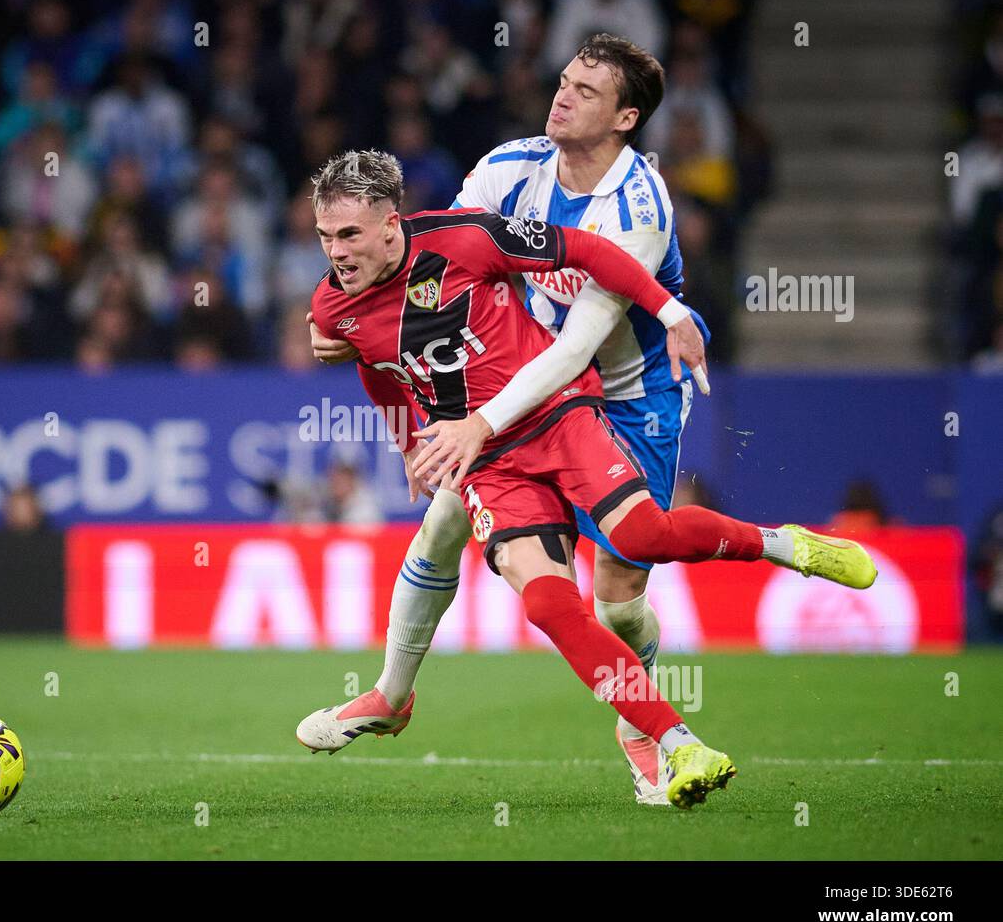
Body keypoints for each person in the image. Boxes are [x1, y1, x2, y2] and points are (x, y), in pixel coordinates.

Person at [296, 149, 877, 809]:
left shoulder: (466, 239)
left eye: (348, 235)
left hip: (556, 411)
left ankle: (784, 545)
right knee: (547, 603)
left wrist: (670, 313)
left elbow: (590, 253)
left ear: (391, 225)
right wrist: (407, 443)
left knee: (645, 536)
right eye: (323, 237)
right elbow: (378, 365)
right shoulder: (331, 305)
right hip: (486, 462)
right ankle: (678, 741)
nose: (336, 252)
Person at [307, 34, 715, 805]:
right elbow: (436, 262)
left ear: (626, 116)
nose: (562, 97)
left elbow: (578, 350)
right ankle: (392, 695)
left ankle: (638, 722)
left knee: (621, 589)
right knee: (442, 523)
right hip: (523, 385)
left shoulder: (638, 204)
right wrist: (352, 314)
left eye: (586, 92)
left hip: (626, 391)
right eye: (564, 82)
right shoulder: (506, 168)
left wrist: (476, 424)